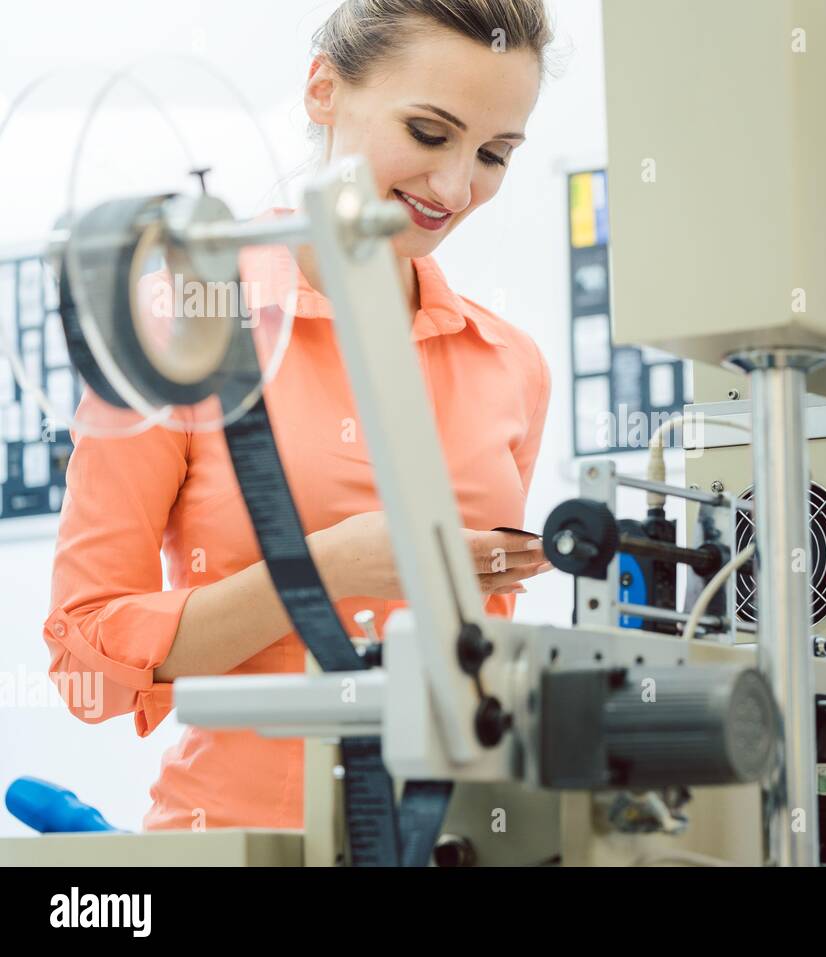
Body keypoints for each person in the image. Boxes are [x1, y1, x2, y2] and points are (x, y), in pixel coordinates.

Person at [43, 0, 557, 830]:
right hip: (242, 839)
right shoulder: (186, 323)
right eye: (430, 133)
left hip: (460, 836)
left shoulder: (511, 365)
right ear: (324, 89)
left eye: (495, 153)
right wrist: (322, 573)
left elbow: (476, 666)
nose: (459, 187)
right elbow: (82, 665)